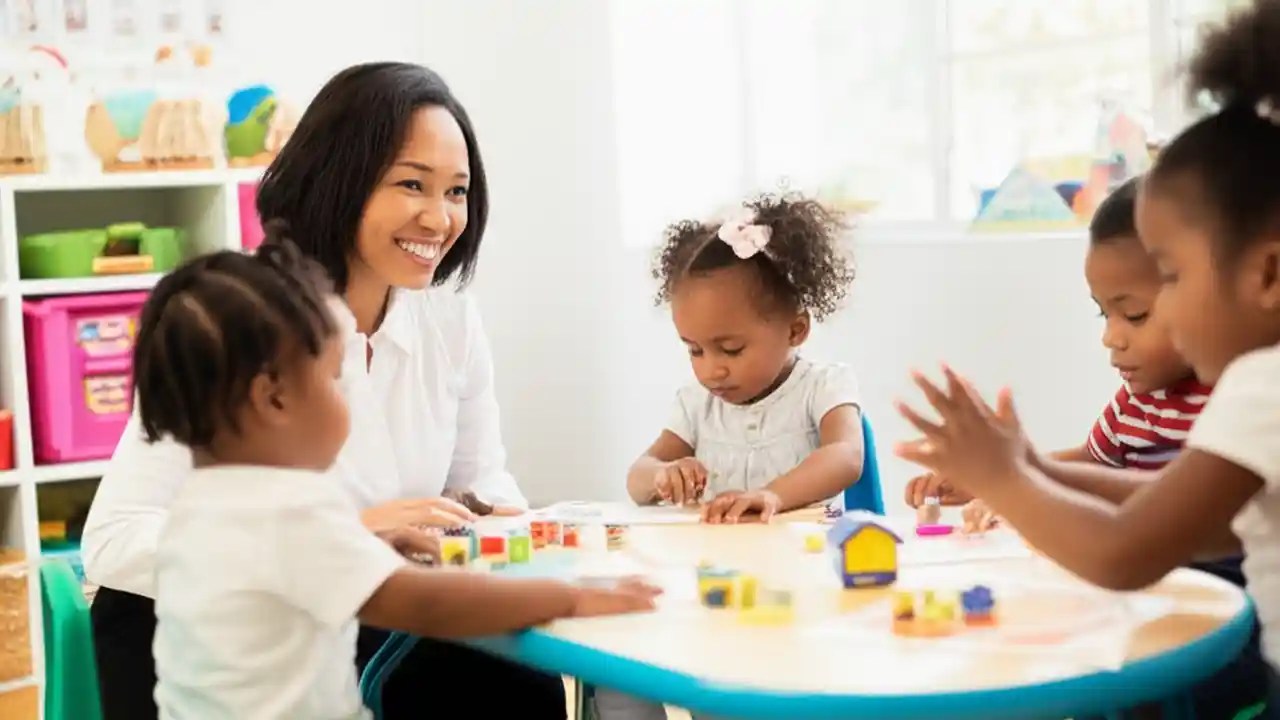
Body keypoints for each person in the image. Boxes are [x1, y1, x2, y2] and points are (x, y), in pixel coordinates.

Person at [83, 62, 571, 719]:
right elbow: (114, 540)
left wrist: (508, 526)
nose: (439, 217)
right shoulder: (246, 315)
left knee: (520, 673)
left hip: (364, 616)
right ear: (341, 178)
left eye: (457, 192)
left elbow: (483, 482)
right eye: (411, 185)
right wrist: (336, 535)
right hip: (222, 644)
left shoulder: (449, 318)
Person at [895, 2, 1280, 714]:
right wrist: (1029, 468)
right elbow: (1191, 515)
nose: (1158, 310)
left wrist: (1005, 480)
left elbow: (1125, 551)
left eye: (1170, 274)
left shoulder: (1264, 385)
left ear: (1267, 274)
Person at [138, 243, 659, 719]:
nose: (348, 400)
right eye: (336, 380)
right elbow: (424, 603)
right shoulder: (292, 509)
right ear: (272, 398)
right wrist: (566, 598)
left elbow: (267, 575)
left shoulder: (195, 505)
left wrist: (360, 541)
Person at [911, 177, 1266, 717]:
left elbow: (1129, 545)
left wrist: (1010, 480)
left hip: (1230, 637)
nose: (1111, 337)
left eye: (1139, 313)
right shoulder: (1152, 399)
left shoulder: (1254, 395)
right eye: (1105, 315)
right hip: (1176, 600)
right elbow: (1141, 486)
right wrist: (1016, 468)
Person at [601, 194, 863, 719]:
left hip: (797, 592)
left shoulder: (822, 386)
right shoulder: (697, 405)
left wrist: (772, 494)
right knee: (616, 668)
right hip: (713, 588)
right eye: (694, 349)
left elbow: (845, 456)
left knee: (749, 690)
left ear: (795, 330)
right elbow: (637, 478)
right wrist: (665, 474)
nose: (711, 370)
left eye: (730, 349)